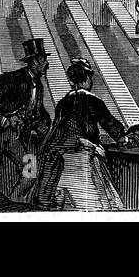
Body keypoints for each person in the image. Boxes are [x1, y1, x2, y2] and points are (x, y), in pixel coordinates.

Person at [35, 58, 129, 210]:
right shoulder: (93, 100)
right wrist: (123, 138)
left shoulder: (62, 103)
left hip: (64, 161)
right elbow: (112, 126)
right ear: (86, 79)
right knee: (96, 203)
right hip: (84, 157)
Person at [0, 38, 52, 200]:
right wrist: (3, 120)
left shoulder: (38, 85)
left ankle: (14, 203)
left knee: (30, 173)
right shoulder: (12, 78)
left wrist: (45, 124)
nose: (47, 64)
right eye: (44, 60)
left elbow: (39, 111)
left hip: (19, 137)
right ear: (35, 61)